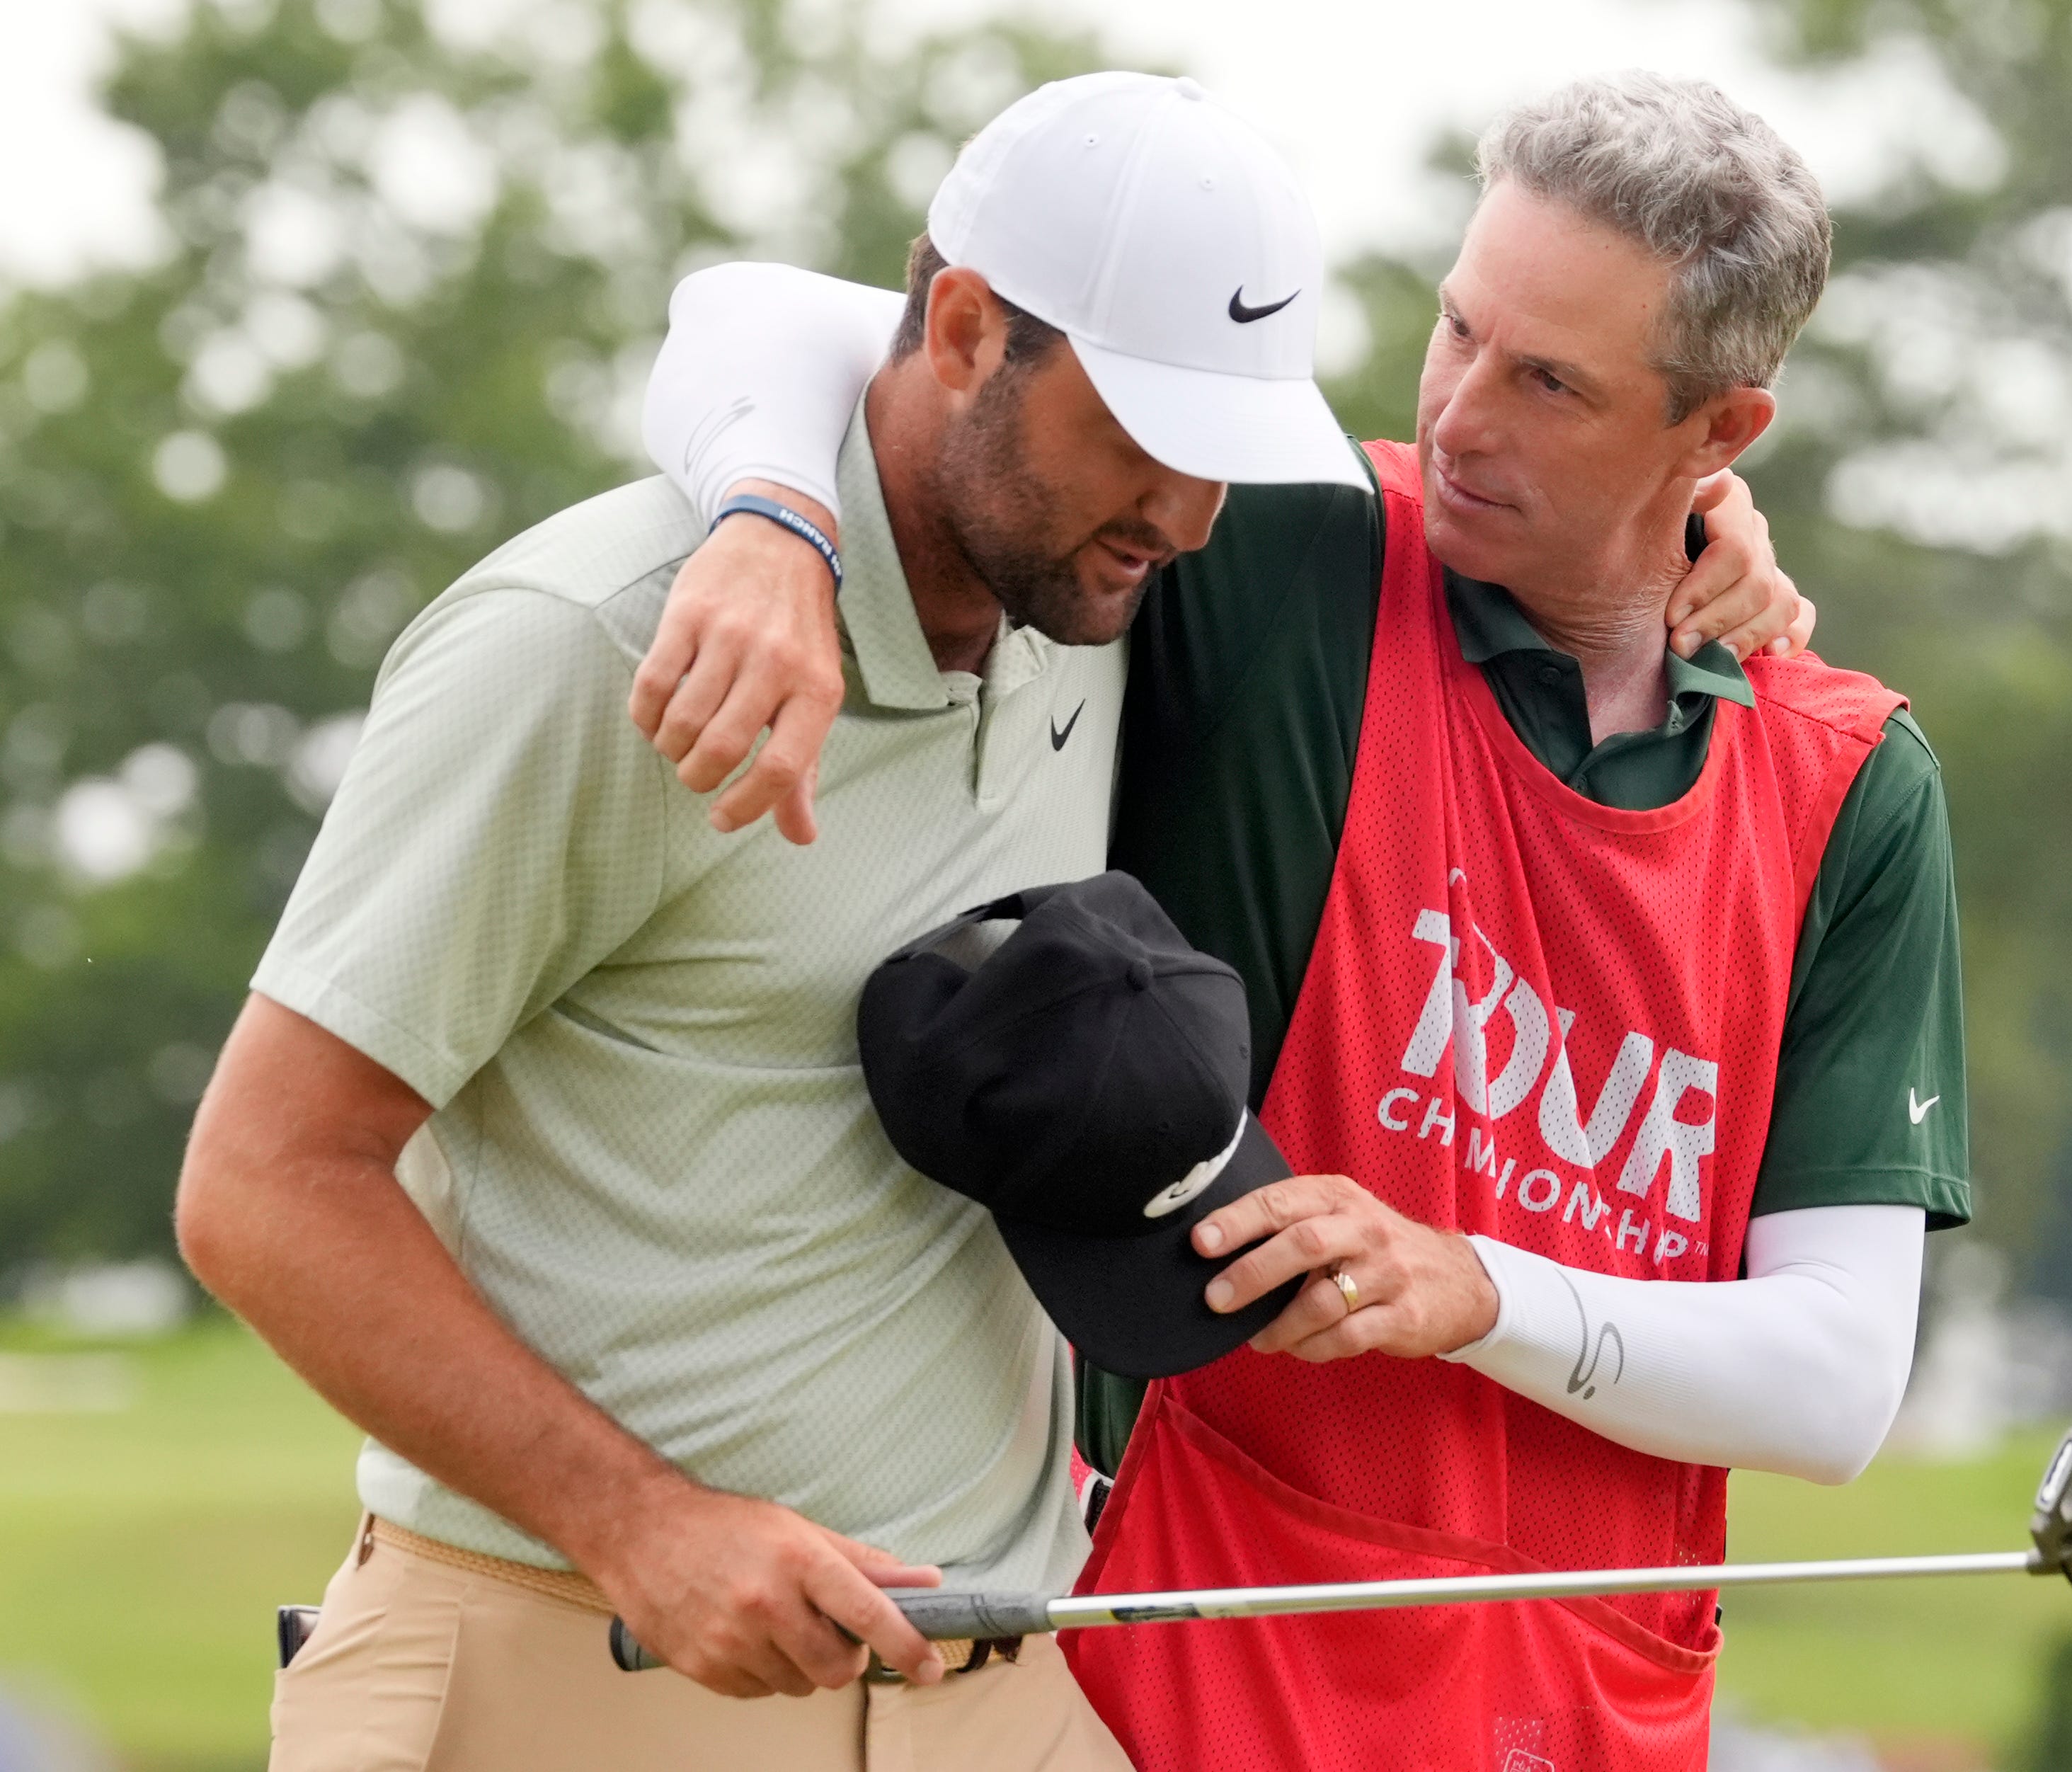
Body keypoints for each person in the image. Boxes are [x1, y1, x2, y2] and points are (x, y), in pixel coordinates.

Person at [636, 72, 1969, 1771]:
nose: (1462, 412)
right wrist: (771, 511)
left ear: (1718, 436)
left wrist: (1471, 1285)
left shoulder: (1850, 785)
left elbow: (1834, 1379)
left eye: (1548, 379)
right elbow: (784, 319)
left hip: (1587, 1708)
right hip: (1170, 1674)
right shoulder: (1289, 552)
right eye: (1457, 328)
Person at [168, 72, 1456, 1772]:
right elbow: (264, 1184)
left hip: (998, 1697)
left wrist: (1700, 544)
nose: (1191, 516)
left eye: (1222, 455)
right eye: (1142, 437)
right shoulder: (587, 643)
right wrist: (638, 1523)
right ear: (968, 330)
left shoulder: (1098, 585)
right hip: (577, 1679)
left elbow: (777, 325)